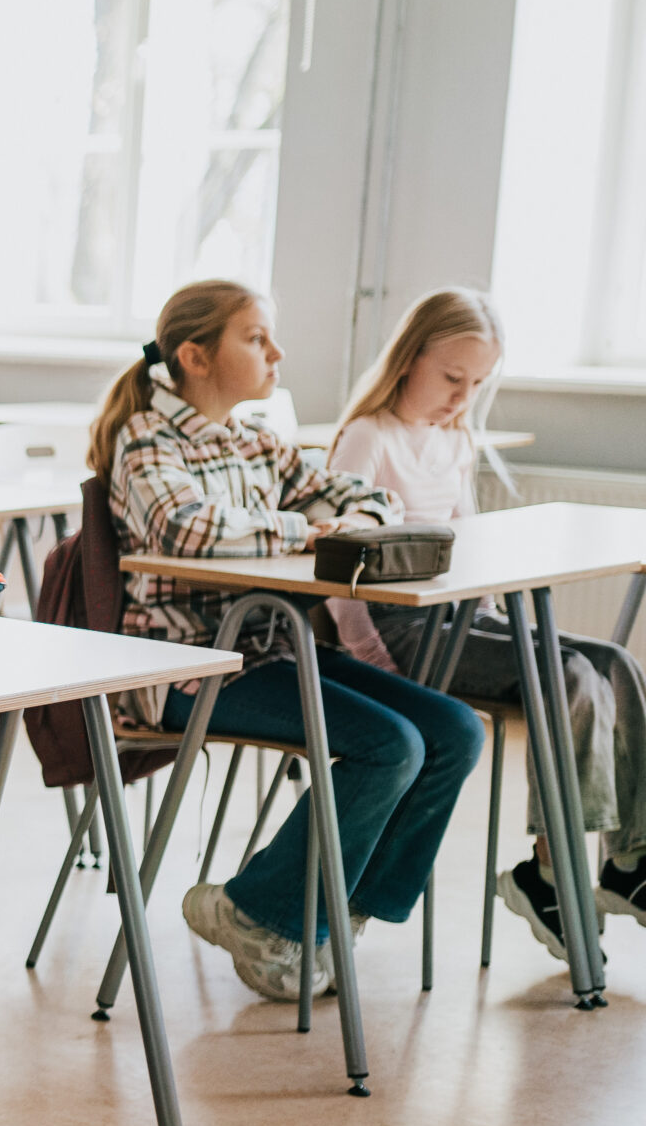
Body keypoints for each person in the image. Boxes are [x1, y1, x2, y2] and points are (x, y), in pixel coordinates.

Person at [95, 279, 484, 997]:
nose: (277, 352)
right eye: (255, 338)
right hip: (189, 667)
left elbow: (370, 498)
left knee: (456, 731)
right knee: (390, 746)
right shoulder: (147, 438)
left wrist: (350, 519)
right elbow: (185, 527)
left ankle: (332, 913)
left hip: (274, 650)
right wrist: (308, 530)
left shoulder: (255, 440)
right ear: (195, 357)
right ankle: (261, 911)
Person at [326, 289, 643, 958]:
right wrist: (373, 662)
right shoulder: (368, 437)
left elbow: (468, 552)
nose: (462, 397)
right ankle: (549, 875)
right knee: (568, 674)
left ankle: (630, 857)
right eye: (451, 377)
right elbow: (338, 574)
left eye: (476, 383)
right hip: (401, 632)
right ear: (409, 358)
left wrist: (500, 624)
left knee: (614, 664)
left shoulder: (455, 440)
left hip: (464, 618)